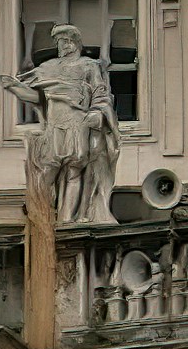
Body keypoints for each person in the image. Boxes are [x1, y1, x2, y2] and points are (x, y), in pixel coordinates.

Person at [9, 25, 118, 229]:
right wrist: (14, 88)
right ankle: (41, 213)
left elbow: (100, 93)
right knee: (47, 169)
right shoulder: (48, 68)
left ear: (75, 43)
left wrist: (96, 112)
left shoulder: (88, 66)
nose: (63, 46)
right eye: (60, 42)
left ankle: (66, 220)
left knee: (74, 168)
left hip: (77, 123)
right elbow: (38, 97)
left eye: (66, 41)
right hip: (54, 124)